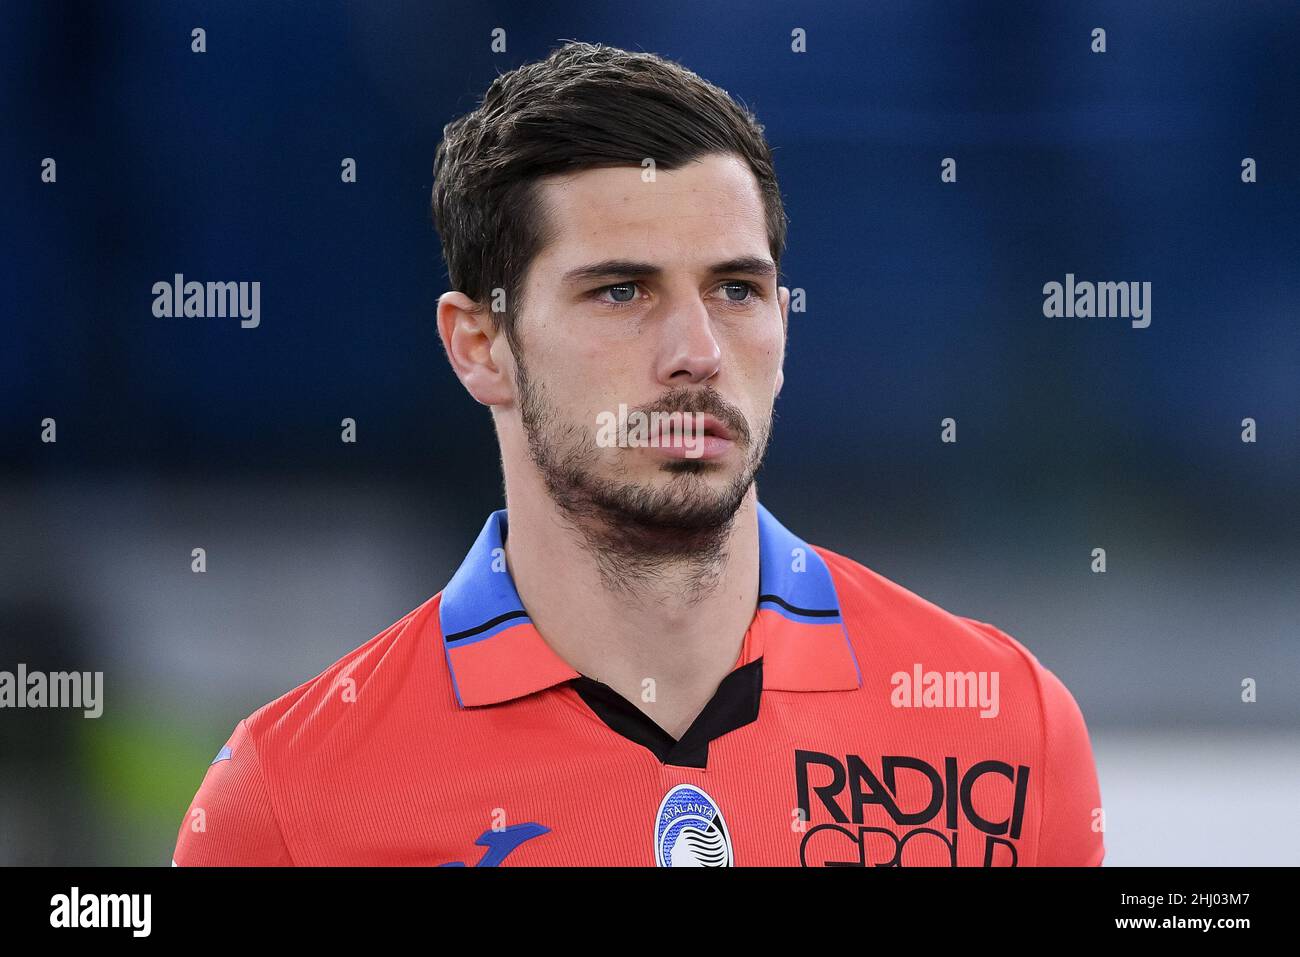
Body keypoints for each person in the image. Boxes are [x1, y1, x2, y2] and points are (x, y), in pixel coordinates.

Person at [172, 41, 1104, 867]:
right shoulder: (287, 804)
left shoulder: (1004, 723)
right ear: (479, 346)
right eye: (622, 292)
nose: (696, 350)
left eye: (736, 289)